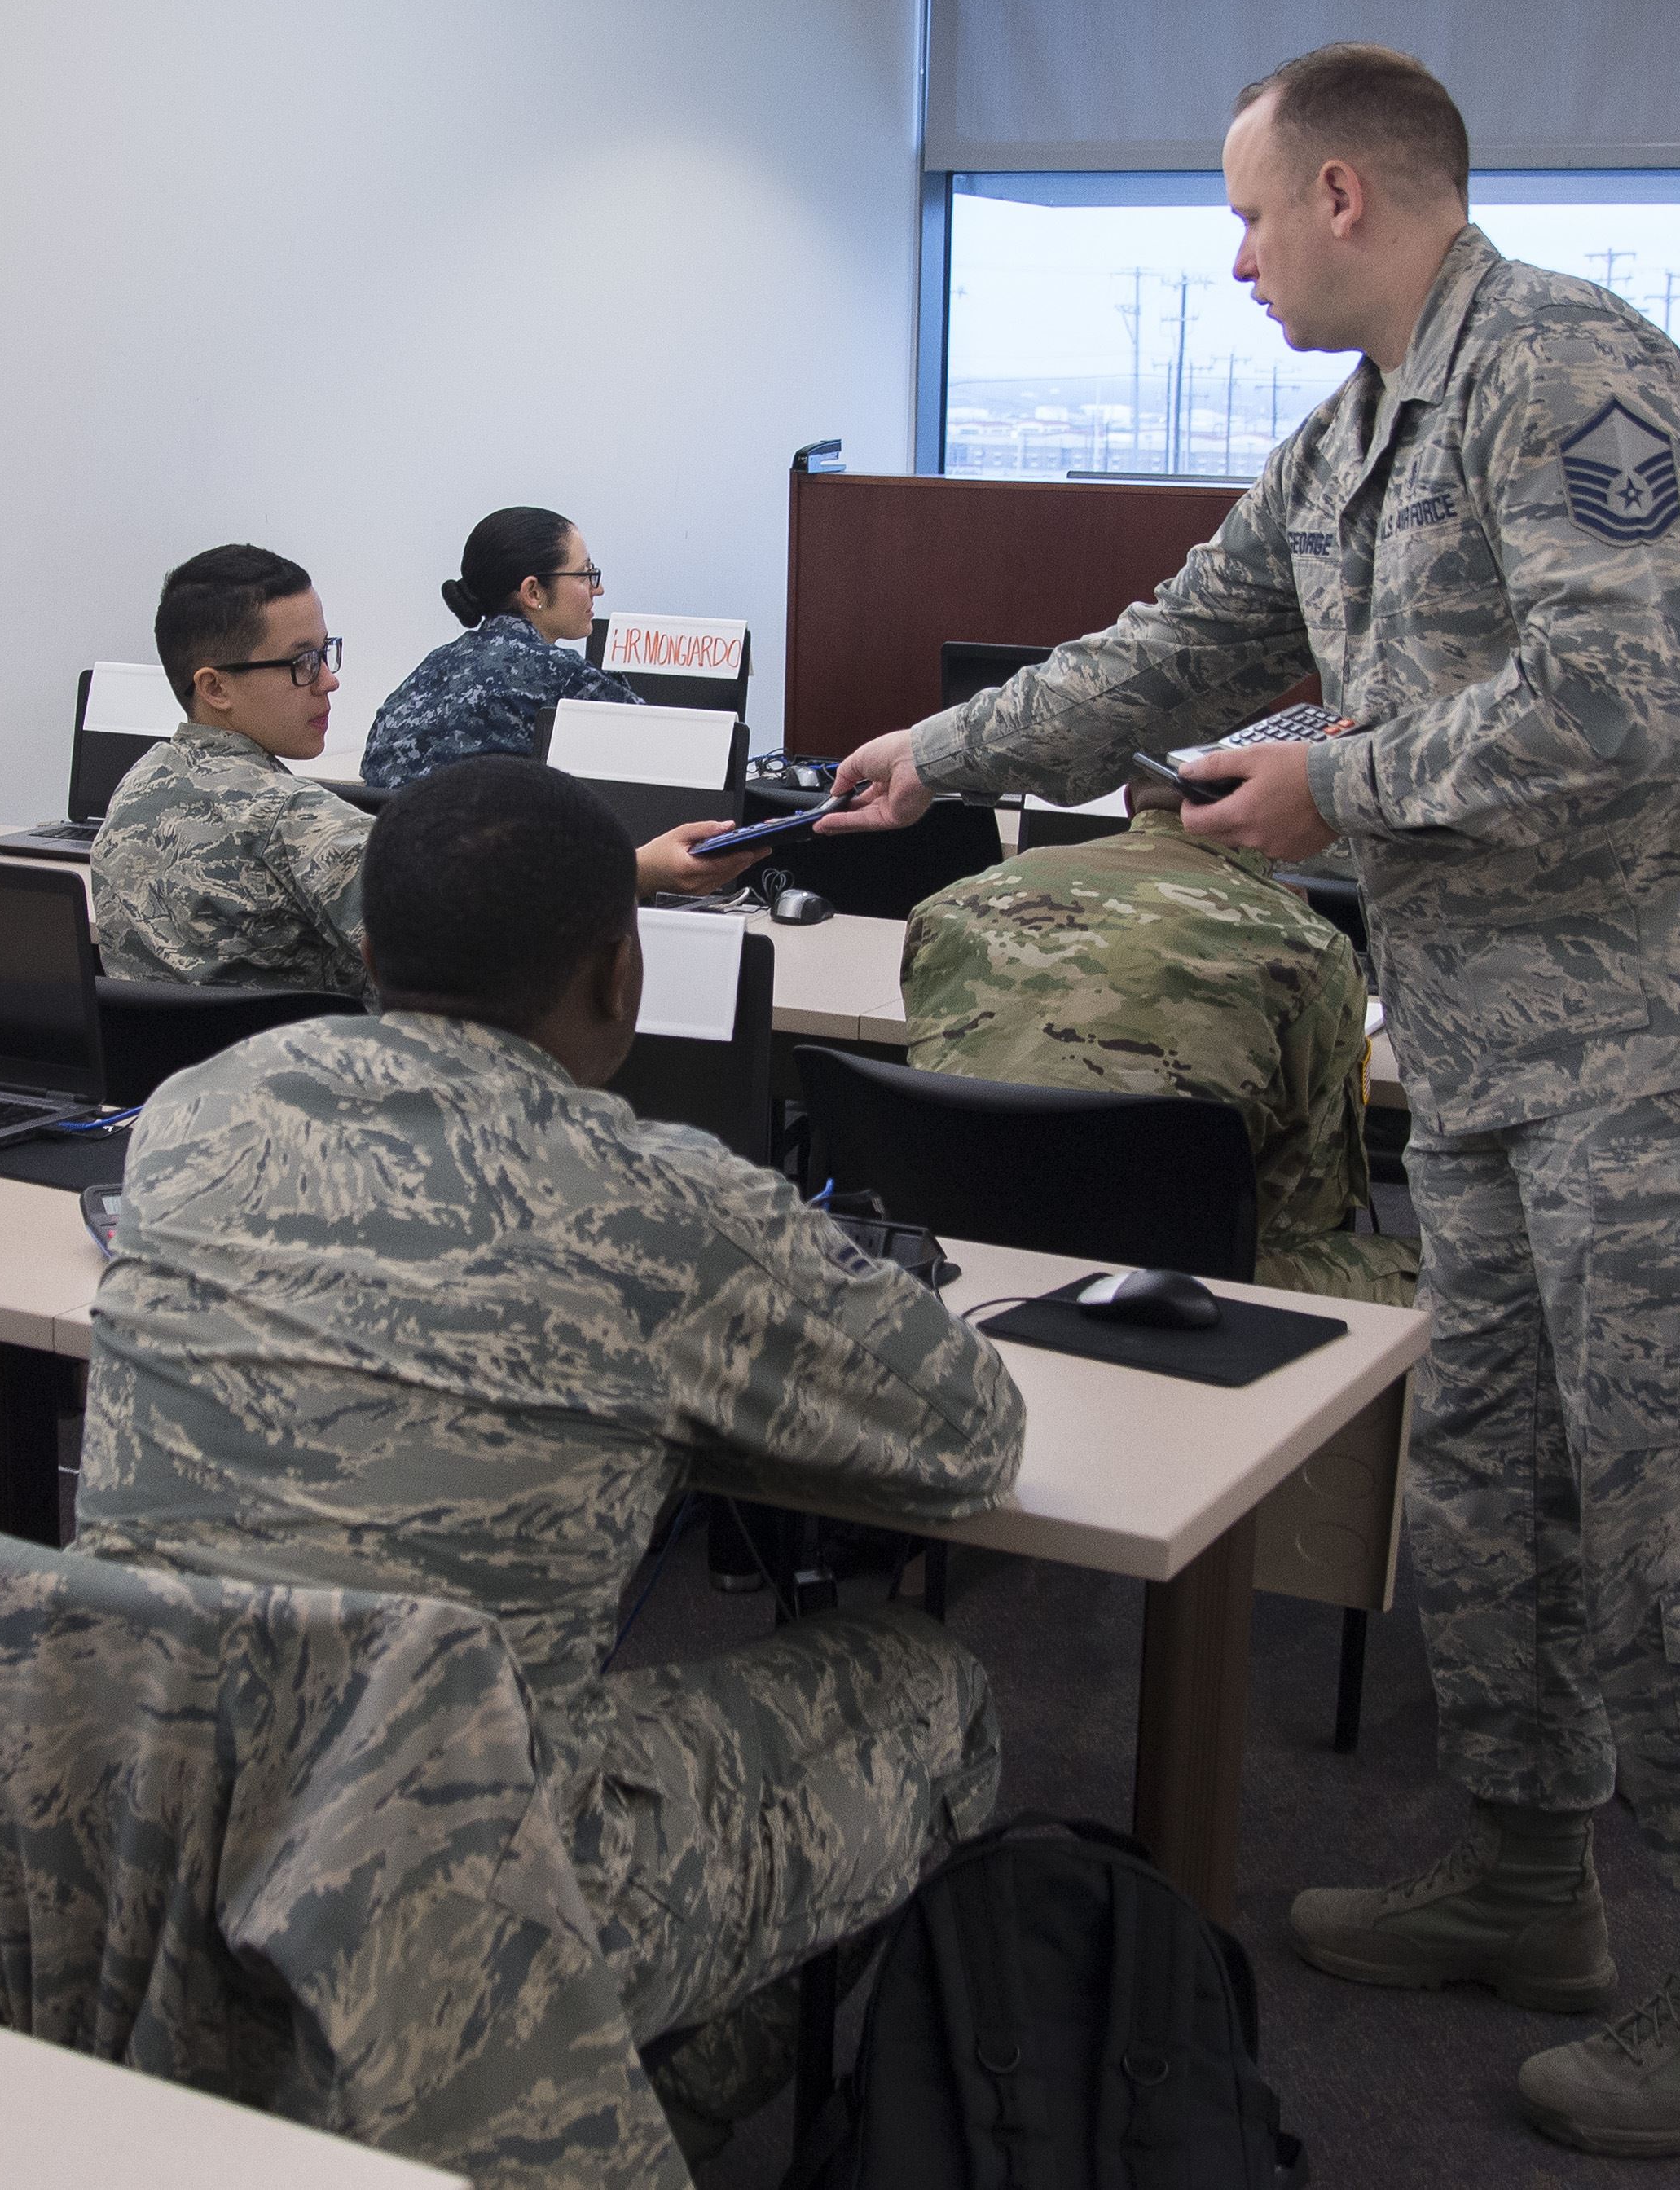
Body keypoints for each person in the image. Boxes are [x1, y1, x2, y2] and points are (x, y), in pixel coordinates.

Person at [826, 43, 1680, 2157]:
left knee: (1679, 1520)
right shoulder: (1357, 442)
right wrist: (942, 755)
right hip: (1496, 1058)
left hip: (1675, 1044)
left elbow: (1628, 702)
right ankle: (1524, 1877)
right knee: (1482, 1490)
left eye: (1242, 213)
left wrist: (1336, 785)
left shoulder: (1568, 374)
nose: (1226, 257)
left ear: (1349, 201)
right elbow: (1179, 642)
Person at [79, 753, 1023, 2158]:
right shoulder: (665, 1198)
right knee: (931, 1687)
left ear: (372, 946)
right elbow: (966, 1441)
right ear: (620, 976)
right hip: (461, 1885)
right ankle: (573, 2110)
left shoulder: (199, 1109)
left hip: (139, 1817)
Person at [94, 545, 760, 994]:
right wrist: (640, 869)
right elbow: (469, 929)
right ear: (214, 687)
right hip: (328, 1130)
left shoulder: (135, 790)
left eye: (326, 652)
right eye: (300, 661)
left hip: (166, 1130)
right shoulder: (291, 820)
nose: (328, 680)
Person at [899, 771, 1417, 1307]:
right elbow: (1309, 1201)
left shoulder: (950, 905)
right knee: (1455, 1277)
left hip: (964, 1265)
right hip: (1182, 1292)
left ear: (1128, 797)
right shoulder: (1308, 947)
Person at [359, 507, 638, 787]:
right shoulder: (564, 675)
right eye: (584, 573)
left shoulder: (434, 666)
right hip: (495, 829)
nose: (596, 589)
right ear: (533, 592)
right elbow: (655, 752)